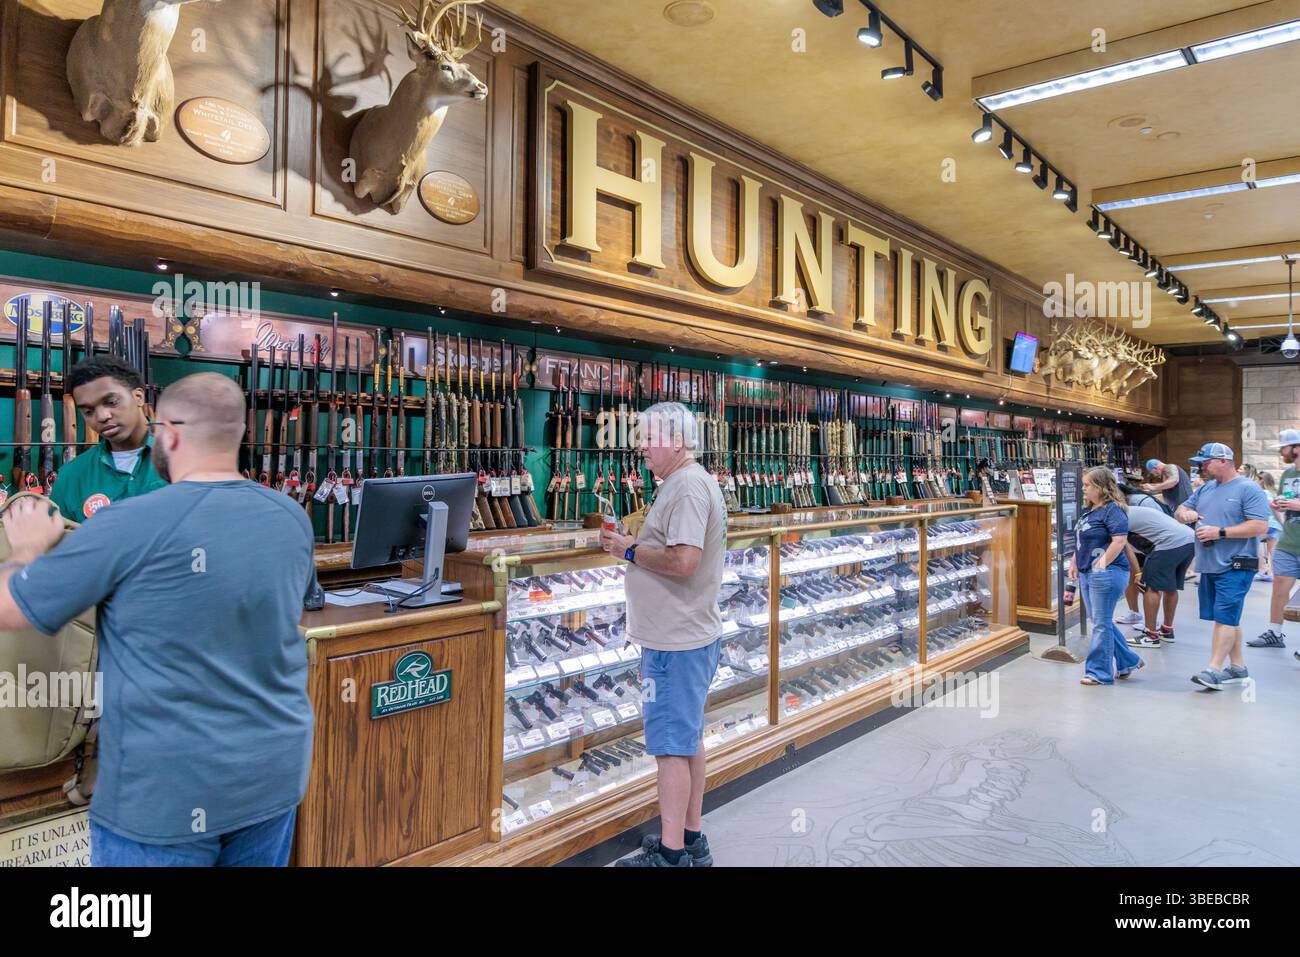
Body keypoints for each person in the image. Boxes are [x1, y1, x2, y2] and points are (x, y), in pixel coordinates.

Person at [0, 373, 315, 866]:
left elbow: (12, 608)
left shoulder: (127, 524)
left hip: (164, 793)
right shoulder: (291, 516)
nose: (101, 417)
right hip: (271, 776)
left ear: (166, 432)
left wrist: (25, 551)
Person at [599, 401, 726, 867]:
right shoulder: (684, 482)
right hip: (685, 636)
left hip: (677, 642)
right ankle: (690, 840)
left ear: (674, 440)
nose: (641, 448)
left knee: (671, 749)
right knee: (686, 740)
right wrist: (631, 545)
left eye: (648, 439)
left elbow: (684, 562)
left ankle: (671, 857)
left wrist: (630, 551)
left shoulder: (688, 487)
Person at [1175, 442, 1271, 691]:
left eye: (1205, 462)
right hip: (1209, 565)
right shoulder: (1206, 488)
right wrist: (1184, 513)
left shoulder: (1248, 489)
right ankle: (1238, 667)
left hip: (1236, 565)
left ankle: (1213, 669)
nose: (1202, 467)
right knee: (1228, 617)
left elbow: (1260, 527)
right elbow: (1181, 508)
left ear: (1223, 461)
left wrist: (1220, 532)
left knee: (1225, 617)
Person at [49, 355, 168, 522]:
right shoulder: (71, 476)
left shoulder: (188, 456)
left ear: (139, 397)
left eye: (111, 402)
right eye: (88, 411)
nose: (102, 416)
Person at [1069, 467, 1144, 685]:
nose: (1084, 489)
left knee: (1101, 624)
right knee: (1101, 622)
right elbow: (1082, 540)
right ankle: (1128, 660)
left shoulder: (1114, 510)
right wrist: (1075, 562)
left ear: (1101, 487)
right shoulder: (1090, 511)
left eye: (1087, 485)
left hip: (1107, 573)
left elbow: (1119, 541)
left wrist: (1100, 565)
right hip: (1087, 571)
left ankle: (1098, 672)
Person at [1122, 490, 1196, 647]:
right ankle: (1167, 630)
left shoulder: (1117, 516)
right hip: (1189, 539)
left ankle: (1150, 635)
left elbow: (1124, 547)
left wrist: (1139, 572)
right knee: (1171, 587)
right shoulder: (1132, 511)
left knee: (1152, 587)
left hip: (1169, 543)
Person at [1250, 429, 1300, 648]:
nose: (1281, 452)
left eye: (1284, 447)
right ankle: (1275, 632)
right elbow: (1287, 513)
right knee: (1279, 586)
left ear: (1297, 448)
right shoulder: (1289, 475)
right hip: (1288, 543)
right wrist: (1276, 510)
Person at [1255, 471, 1280, 582]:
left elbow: (1271, 505)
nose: (1255, 481)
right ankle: (1273, 574)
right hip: (1276, 525)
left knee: (1254, 542)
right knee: (1273, 551)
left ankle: (1262, 569)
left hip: (1266, 523)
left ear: (1262, 481)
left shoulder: (1263, 492)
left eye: (1256, 479)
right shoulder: (1274, 493)